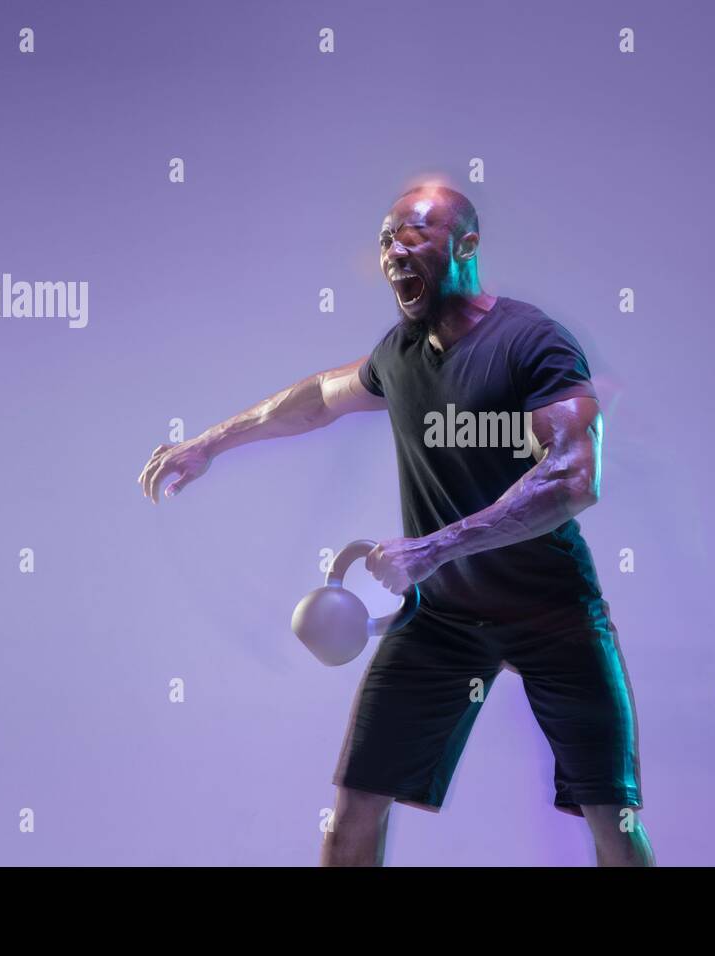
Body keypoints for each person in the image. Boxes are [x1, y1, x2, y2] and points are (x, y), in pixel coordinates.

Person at [137, 183, 652, 866]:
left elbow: (573, 478)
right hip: (441, 621)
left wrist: (436, 547)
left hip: (553, 614)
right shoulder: (401, 355)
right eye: (385, 239)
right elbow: (318, 398)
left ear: (466, 246)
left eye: (413, 234)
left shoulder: (533, 343)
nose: (393, 251)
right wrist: (210, 441)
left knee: (612, 819)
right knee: (352, 812)